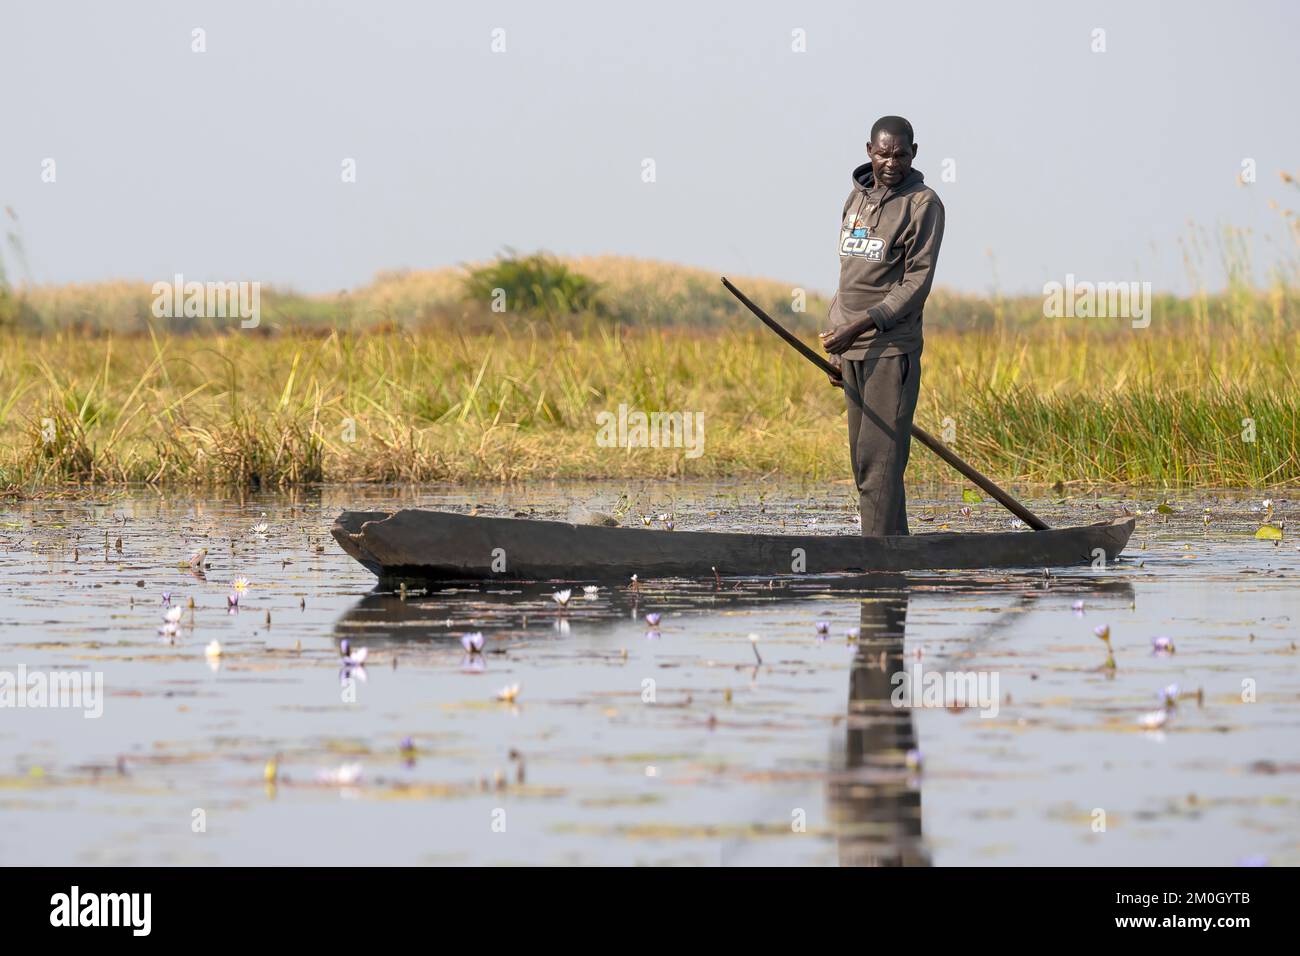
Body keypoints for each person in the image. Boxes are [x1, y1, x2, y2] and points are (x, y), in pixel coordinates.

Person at [820, 116, 945, 536]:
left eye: (901, 154)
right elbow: (847, 276)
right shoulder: (854, 201)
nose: (891, 162)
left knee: (879, 464)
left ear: (914, 153)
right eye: (883, 153)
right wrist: (840, 346)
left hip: (890, 349)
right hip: (851, 348)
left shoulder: (923, 204)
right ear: (869, 150)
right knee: (867, 463)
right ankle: (894, 553)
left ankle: (874, 562)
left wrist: (861, 326)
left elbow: (916, 283)